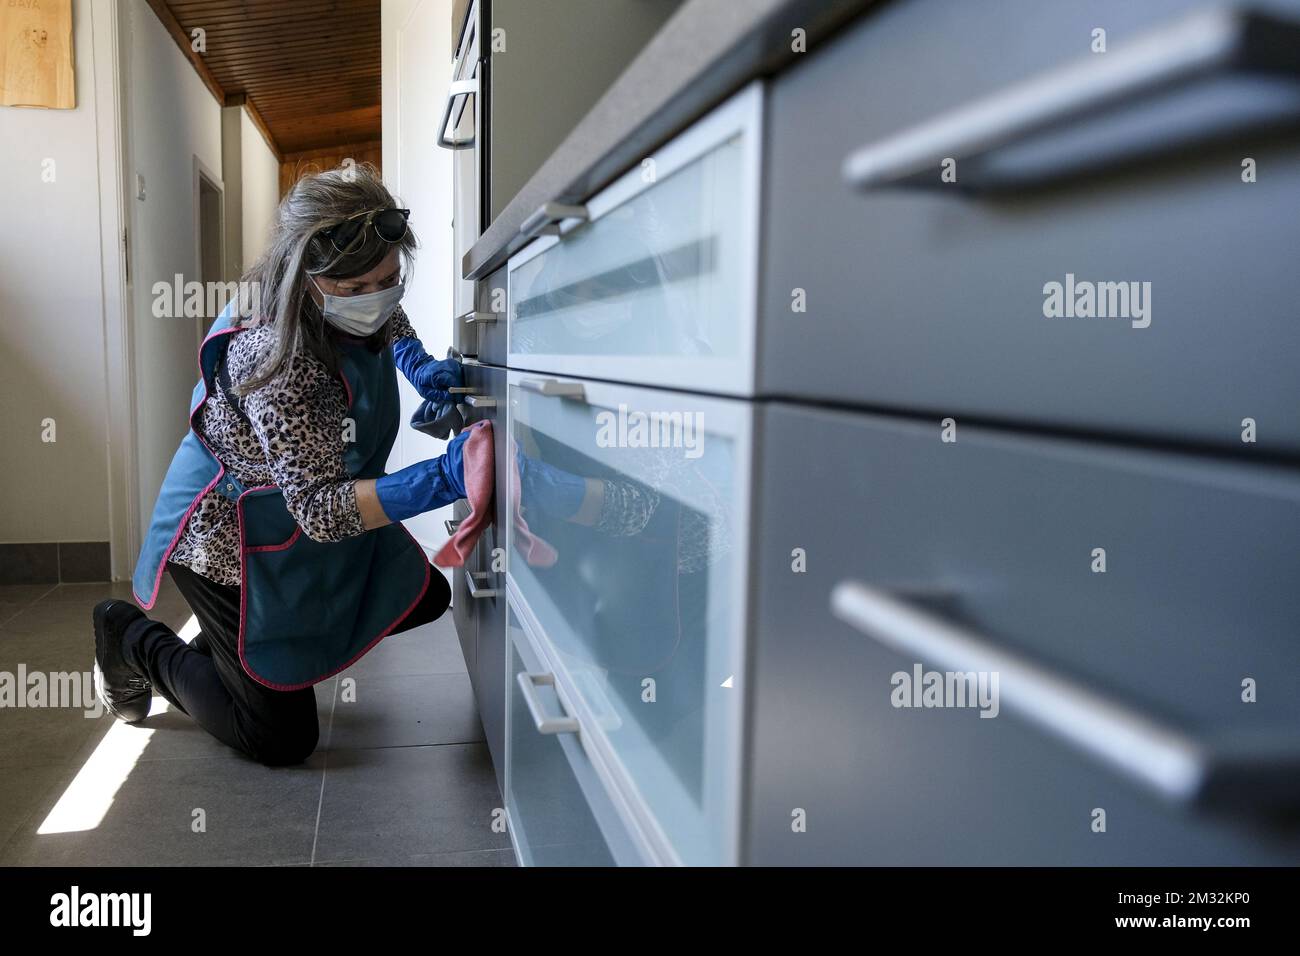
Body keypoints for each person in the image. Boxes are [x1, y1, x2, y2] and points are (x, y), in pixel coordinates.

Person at [90, 164, 467, 767]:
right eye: (354, 288)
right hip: (227, 542)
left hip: (293, 512)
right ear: (307, 280)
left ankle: (257, 653)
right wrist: (443, 478)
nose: (378, 294)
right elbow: (320, 511)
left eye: (390, 277)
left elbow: (385, 317)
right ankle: (131, 637)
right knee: (281, 739)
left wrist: (419, 365)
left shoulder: (351, 296)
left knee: (419, 596)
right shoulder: (276, 358)